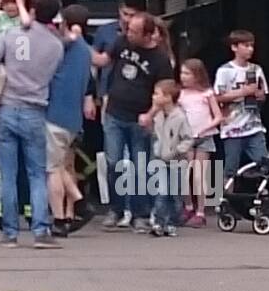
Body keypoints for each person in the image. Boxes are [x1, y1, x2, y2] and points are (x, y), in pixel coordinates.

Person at [0, 0, 67, 248]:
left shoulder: (10, 34)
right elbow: (51, 76)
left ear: (31, 11)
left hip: (7, 107)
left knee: (7, 174)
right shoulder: (56, 46)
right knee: (36, 173)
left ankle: (9, 233)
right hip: (35, 108)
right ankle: (41, 230)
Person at [91, 12, 174, 231]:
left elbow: (165, 90)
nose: (129, 34)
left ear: (148, 35)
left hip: (140, 117)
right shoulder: (121, 42)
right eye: (128, 29)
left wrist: (151, 113)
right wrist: (81, 46)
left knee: (140, 167)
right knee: (113, 162)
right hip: (114, 112)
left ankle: (140, 213)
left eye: (134, 32)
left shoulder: (160, 58)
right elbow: (103, 60)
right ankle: (116, 209)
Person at [44, 3, 94, 237]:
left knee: (52, 168)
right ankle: (79, 203)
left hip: (55, 115)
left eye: (61, 22)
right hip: (73, 119)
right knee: (63, 164)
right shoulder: (85, 51)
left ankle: (60, 218)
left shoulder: (64, 48)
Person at [213, 29, 269, 183]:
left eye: (252, 46)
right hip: (232, 128)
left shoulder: (256, 70)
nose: (250, 49)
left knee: (264, 163)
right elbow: (218, 96)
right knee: (230, 167)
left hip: (254, 125)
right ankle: (224, 197)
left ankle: (263, 197)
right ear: (234, 47)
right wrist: (242, 92)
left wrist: (258, 95)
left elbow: (263, 94)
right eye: (246, 45)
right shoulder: (224, 71)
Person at [177, 58, 223, 226]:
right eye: (182, 73)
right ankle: (188, 206)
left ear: (197, 75)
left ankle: (201, 211)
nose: (183, 77)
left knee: (199, 175)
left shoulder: (207, 93)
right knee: (184, 174)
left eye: (187, 73)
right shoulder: (181, 95)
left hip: (204, 136)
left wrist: (203, 129)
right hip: (187, 138)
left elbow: (218, 116)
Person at [149, 79, 193, 237]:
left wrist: (177, 150)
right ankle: (159, 223)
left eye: (157, 94)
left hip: (176, 161)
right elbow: (154, 134)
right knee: (161, 192)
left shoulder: (180, 117)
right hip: (161, 160)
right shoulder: (158, 115)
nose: (153, 97)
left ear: (167, 97)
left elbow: (188, 138)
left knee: (174, 194)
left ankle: (172, 221)